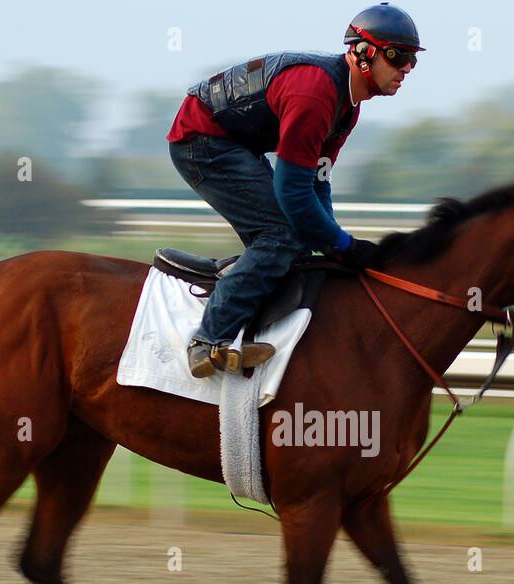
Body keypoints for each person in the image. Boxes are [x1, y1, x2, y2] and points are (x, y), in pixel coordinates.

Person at [166, 3, 422, 378]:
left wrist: (336, 244)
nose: (407, 70)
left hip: (235, 144)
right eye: (398, 57)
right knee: (280, 235)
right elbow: (292, 193)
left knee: (300, 240)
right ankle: (207, 340)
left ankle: (246, 307)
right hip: (200, 141)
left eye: (413, 61)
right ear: (363, 54)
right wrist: (344, 246)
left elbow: (317, 183)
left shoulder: (348, 107)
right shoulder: (317, 93)